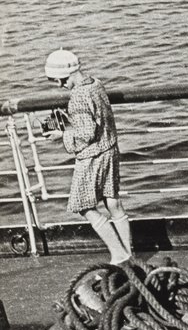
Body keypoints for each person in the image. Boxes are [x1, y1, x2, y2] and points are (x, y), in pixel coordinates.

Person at [43, 48, 132, 265]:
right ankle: (130, 254)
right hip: (110, 150)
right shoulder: (96, 84)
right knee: (113, 201)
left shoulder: (78, 97)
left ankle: (119, 254)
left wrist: (62, 133)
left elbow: (86, 134)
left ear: (69, 74)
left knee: (82, 205)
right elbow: (96, 121)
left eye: (61, 80)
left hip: (92, 158)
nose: (60, 86)